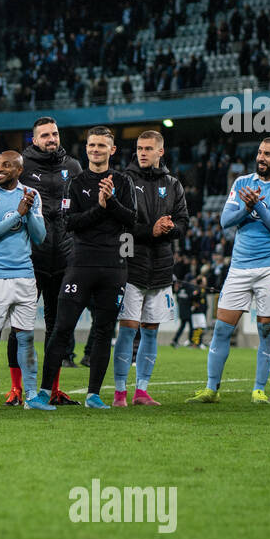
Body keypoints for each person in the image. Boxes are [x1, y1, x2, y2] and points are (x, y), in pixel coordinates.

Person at [187, 138, 270, 404]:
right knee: (222, 330)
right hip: (239, 267)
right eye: (260, 153)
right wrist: (246, 208)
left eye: (268, 154)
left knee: (266, 331)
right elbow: (226, 221)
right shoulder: (241, 183)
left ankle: (259, 389)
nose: (262, 158)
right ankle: (211, 388)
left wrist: (255, 207)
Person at [40, 127, 137, 409]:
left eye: (101, 146)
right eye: (92, 145)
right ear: (86, 149)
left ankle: (93, 394)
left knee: (104, 331)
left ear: (112, 150)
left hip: (114, 265)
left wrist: (112, 201)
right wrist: (101, 206)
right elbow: (69, 222)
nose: (95, 150)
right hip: (80, 264)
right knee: (62, 328)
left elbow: (131, 219)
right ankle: (46, 391)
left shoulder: (123, 181)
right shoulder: (76, 182)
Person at [8, 116, 84, 407]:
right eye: (45, 135)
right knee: (20, 327)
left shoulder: (73, 167)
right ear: (34, 139)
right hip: (30, 259)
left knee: (58, 327)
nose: (52, 139)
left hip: (64, 258)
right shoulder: (21, 167)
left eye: (54, 134)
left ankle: (53, 388)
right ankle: (16, 389)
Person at [111, 130, 187, 406]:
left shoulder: (173, 184)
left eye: (148, 148)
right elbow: (120, 224)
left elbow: (183, 221)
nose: (142, 153)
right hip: (130, 265)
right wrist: (150, 231)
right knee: (128, 328)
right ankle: (120, 392)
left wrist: (171, 228)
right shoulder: (124, 181)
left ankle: (141, 390)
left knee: (151, 329)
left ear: (160, 152)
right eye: (139, 148)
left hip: (162, 267)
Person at [0, 151, 52, 411]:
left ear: (19, 170)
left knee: (26, 338)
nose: (0, 169)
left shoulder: (30, 195)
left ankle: (30, 397)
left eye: (7, 165)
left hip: (25, 275)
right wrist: (18, 215)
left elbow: (40, 238)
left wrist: (27, 213)